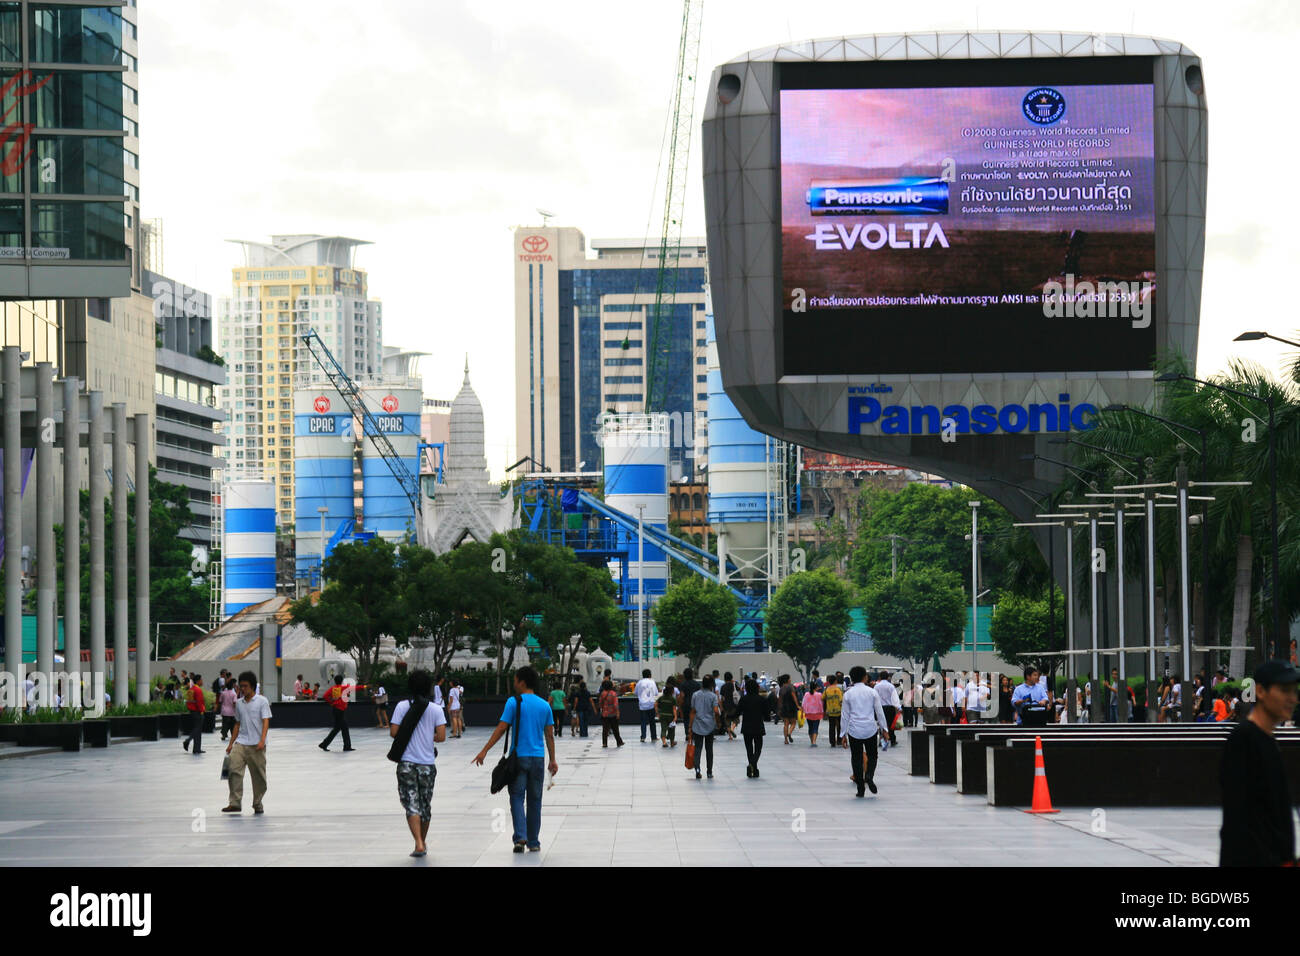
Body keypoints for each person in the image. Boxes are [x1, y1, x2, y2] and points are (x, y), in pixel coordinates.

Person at [1220, 660, 1300, 866]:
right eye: (1284, 691)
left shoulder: (1267, 739)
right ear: (1261, 692)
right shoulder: (1243, 739)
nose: (1292, 699)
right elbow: (1238, 818)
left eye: (1294, 691)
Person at [472, 665, 558, 853]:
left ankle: (520, 838)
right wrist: (553, 760)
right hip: (538, 758)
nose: (514, 684)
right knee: (535, 800)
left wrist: (484, 750)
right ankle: (534, 842)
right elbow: (549, 735)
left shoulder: (514, 702)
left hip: (518, 758)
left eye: (515, 680)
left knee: (517, 797)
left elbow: (502, 728)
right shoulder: (544, 705)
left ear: (522, 681)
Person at [389, 669, 447, 858]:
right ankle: (422, 841)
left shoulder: (401, 706)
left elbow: (394, 732)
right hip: (427, 764)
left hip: (406, 763)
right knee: (425, 805)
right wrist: (426, 736)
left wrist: (409, 732)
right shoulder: (436, 709)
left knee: (411, 804)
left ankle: (419, 843)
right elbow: (441, 737)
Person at [223, 670, 271, 815]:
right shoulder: (239, 703)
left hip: (256, 745)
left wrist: (262, 740)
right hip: (241, 743)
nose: (242, 689)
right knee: (233, 769)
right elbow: (237, 724)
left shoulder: (262, 701)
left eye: (245, 686)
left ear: (252, 686)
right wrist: (231, 743)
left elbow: (265, 721)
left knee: (259, 777)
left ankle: (257, 803)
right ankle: (235, 803)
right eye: (241, 686)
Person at [842, 666, 888, 797]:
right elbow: (879, 712)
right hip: (870, 729)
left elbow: (845, 716)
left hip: (854, 730)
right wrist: (884, 729)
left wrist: (842, 734)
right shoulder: (872, 692)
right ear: (864, 677)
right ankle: (869, 775)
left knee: (856, 758)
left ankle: (860, 787)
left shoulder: (848, 694)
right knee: (873, 755)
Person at [319, 674, 365, 752]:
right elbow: (355, 688)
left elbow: (325, 696)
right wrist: (364, 687)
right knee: (343, 728)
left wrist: (332, 702)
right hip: (340, 711)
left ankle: (325, 744)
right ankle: (344, 746)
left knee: (338, 728)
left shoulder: (333, 689)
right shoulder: (344, 688)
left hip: (335, 709)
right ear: (342, 681)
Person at [689, 675, 721, 779]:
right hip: (709, 726)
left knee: (698, 749)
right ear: (712, 684)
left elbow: (693, 712)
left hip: (697, 725)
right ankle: (709, 771)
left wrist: (690, 727)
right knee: (709, 749)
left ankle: (697, 769)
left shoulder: (695, 695)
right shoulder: (713, 696)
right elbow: (716, 711)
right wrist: (718, 721)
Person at [736, 676, 767, 777]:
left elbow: (737, 712)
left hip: (747, 727)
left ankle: (752, 767)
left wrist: (729, 716)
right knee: (758, 748)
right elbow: (766, 714)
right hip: (758, 726)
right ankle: (754, 766)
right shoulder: (761, 699)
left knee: (749, 749)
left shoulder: (744, 699)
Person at [183, 673, 206, 754]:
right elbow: (199, 702)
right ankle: (188, 740)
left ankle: (196, 749)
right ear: (198, 681)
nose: (202, 681)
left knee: (197, 729)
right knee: (197, 729)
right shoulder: (198, 690)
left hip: (192, 711)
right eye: (201, 680)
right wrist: (202, 710)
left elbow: (189, 702)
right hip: (198, 712)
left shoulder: (191, 689)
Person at [598, 679, 624, 748]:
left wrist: (603, 708)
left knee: (605, 729)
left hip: (605, 714)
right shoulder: (613, 693)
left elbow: (600, 703)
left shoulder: (602, 693)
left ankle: (604, 743)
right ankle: (619, 742)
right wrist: (617, 712)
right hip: (613, 714)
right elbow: (615, 704)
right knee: (615, 729)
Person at [875, 671, 900, 743]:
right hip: (890, 708)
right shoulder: (891, 686)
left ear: (880, 677)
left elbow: (875, 697)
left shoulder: (877, 686)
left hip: (880, 708)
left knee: (881, 724)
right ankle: (892, 739)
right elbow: (895, 697)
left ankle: (882, 740)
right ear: (888, 677)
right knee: (891, 724)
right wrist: (898, 707)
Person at [635, 668, 658, 743]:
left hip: (642, 705)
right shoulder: (652, 682)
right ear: (650, 675)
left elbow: (635, 692)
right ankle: (653, 737)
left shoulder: (639, 682)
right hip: (651, 704)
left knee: (643, 722)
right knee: (652, 722)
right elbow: (656, 693)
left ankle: (643, 737)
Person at [823, 674, 844, 748]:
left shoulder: (827, 690)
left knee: (831, 726)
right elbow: (841, 700)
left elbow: (823, 698)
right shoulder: (838, 690)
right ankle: (839, 740)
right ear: (835, 681)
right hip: (838, 710)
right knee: (839, 726)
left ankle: (832, 741)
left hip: (830, 711)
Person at [777, 674, 799, 744]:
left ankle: (786, 740)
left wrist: (779, 709)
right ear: (787, 680)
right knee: (793, 723)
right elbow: (794, 697)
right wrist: (798, 705)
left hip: (784, 708)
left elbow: (780, 700)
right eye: (790, 678)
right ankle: (789, 732)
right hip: (792, 707)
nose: (790, 680)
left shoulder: (781, 688)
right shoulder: (791, 687)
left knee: (786, 724)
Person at [657, 678, 678, 748]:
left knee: (663, 729)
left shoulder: (661, 698)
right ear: (672, 691)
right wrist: (675, 717)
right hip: (670, 716)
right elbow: (674, 709)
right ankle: (672, 742)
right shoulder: (673, 699)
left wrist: (657, 713)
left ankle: (664, 742)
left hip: (662, 715)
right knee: (672, 729)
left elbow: (655, 704)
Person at [802, 680, 824, 747]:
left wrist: (803, 711)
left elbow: (803, 704)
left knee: (810, 728)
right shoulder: (819, 695)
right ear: (816, 687)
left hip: (809, 713)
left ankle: (812, 741)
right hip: (817, 713)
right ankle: (814, 742)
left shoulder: (806, 694)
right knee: (815, 728)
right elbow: (821, 704)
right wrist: (822, 711)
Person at [719, 671, 740, 740]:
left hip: (726, 706)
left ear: (724, 678)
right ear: (731, 678)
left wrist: (721, 707)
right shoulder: (733, 684)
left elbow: (722, 698)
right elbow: (739, 691)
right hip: (734, 705)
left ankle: (730, 736)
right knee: (736, 719)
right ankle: (732, 729)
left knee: (727, 721)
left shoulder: (723, 687)